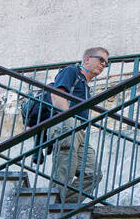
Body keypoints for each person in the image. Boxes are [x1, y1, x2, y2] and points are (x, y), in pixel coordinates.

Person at [40, 47, 110, 205]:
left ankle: (61, 204)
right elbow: (57, 95)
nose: (103, 65)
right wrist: (68, 120)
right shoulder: (72, 71)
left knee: (92, 174)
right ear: (87, 59)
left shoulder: (85, 86)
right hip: (67, 122)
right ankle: (50, 207)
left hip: (80, 130)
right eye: (101, 60)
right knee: (66, 164)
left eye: (106, 63)